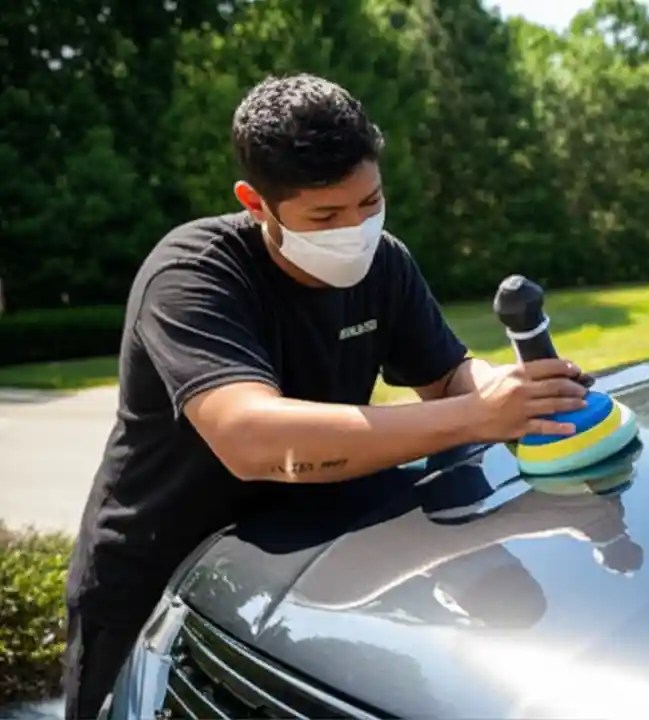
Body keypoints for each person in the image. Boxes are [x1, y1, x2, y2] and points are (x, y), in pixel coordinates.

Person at [61, 73, 590, 718]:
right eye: (326, 216)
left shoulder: (385, 263)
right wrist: (476, 416)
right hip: (156, 583)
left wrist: (514, 393)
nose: (357, 229)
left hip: (307, 573)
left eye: (370, 203)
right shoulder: (193, 273)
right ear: (256, 203)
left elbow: (449, 377)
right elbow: (254, 441)